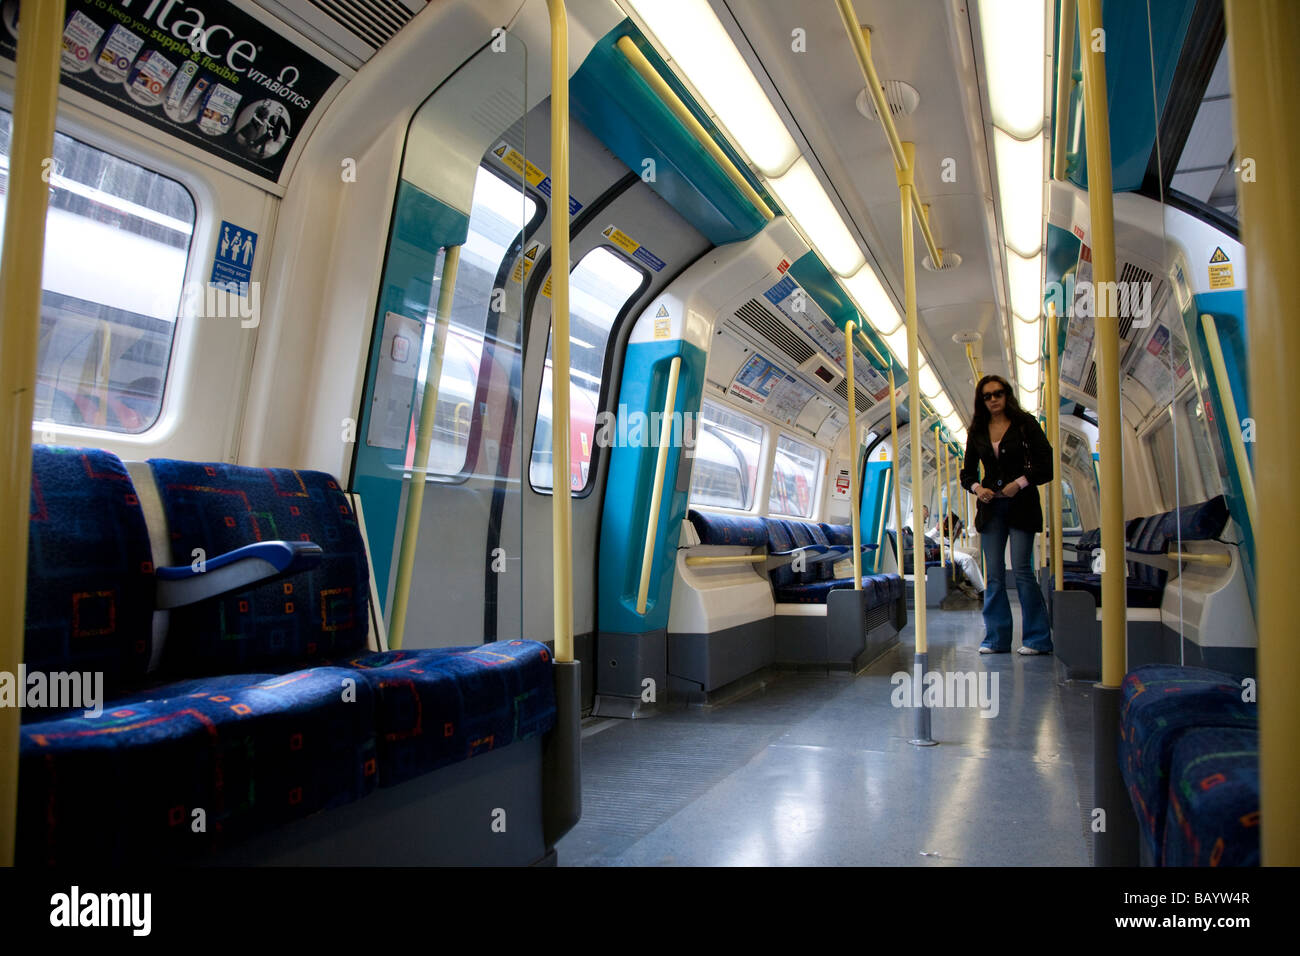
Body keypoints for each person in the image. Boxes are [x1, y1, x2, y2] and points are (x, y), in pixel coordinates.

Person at [959, 374, 1054, 655]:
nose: (993, 399)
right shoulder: (977, 430)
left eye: (998, 393)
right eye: (987, 396)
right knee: (995, 574)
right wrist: (978, 488)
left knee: (1023, 570)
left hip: (1021, 503)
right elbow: (967, 472)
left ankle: (1037, 639)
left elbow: (1045, 464)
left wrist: (1020, 483)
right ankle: (996, 638)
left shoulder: (1026, 424)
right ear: (981, 400)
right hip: (991, 508)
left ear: (1007, 395)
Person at [936, 511, 985, 596]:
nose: (927, 513)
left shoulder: (925, 525)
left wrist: (954, 533)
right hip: (939, 550)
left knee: (974, 552)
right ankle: (981, 590)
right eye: (925, 511)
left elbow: (944, 539)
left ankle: (968, 581)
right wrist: (936, 529)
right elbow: (927, 540)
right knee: (967, 559)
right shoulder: (913, 524)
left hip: (946, 546)